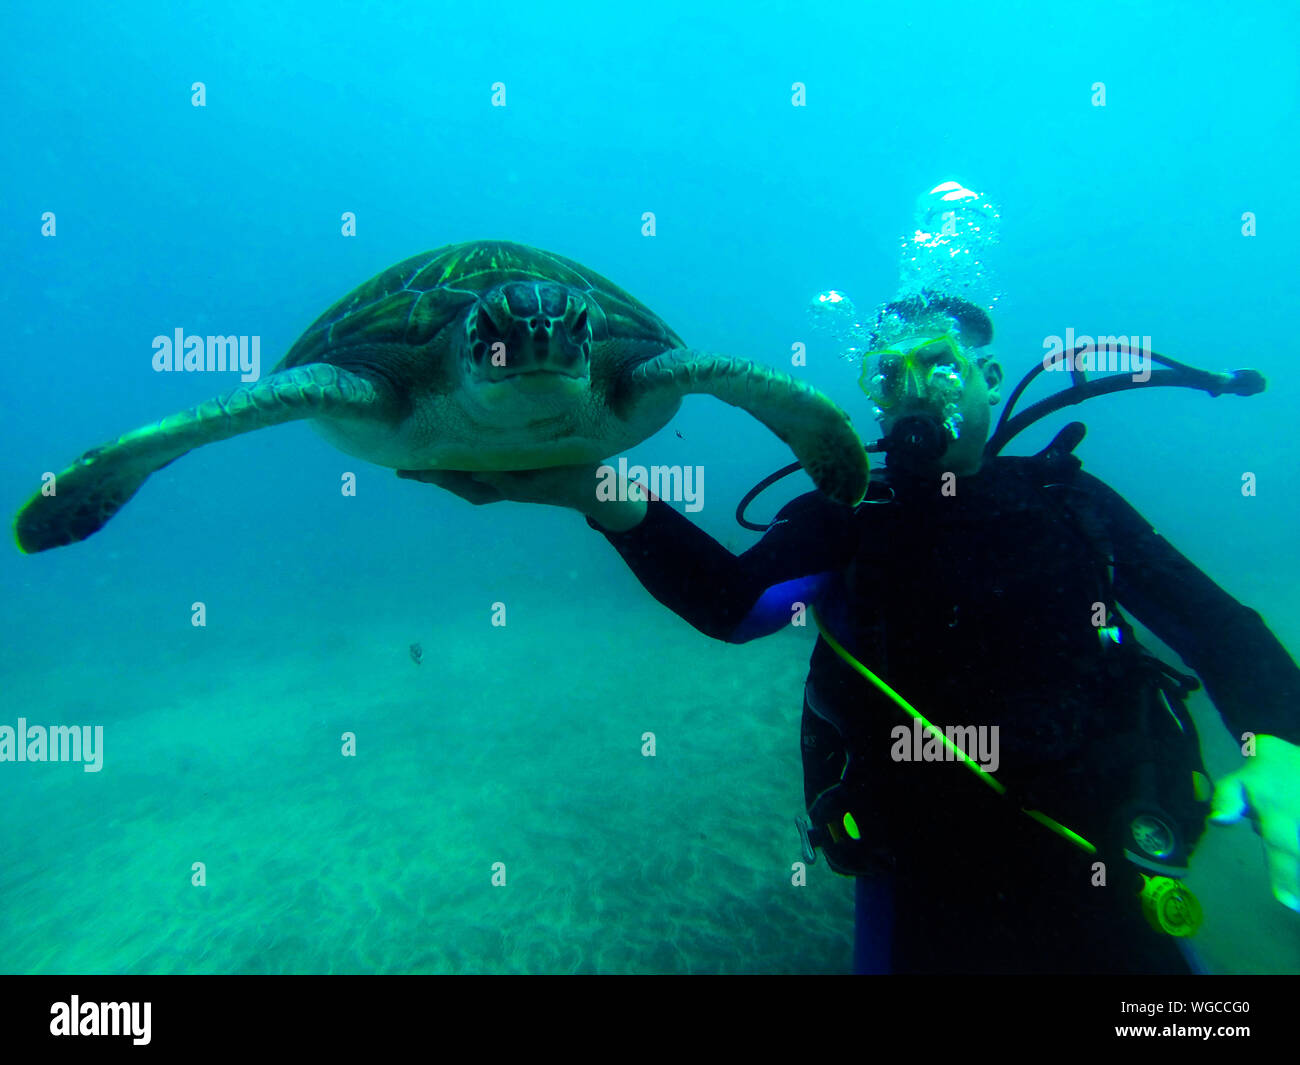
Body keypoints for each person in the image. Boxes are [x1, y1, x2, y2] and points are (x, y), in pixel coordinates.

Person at [399, 293, 1300, 974]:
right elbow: (737, 605)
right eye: (889, 374)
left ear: (991, 377)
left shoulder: (1068, 501)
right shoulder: (847, 510)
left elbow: (1219, 626)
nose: (913, 392)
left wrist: (1282, 742)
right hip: (917, 870)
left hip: (1108, 846)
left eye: (940, 365)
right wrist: (592, 490)